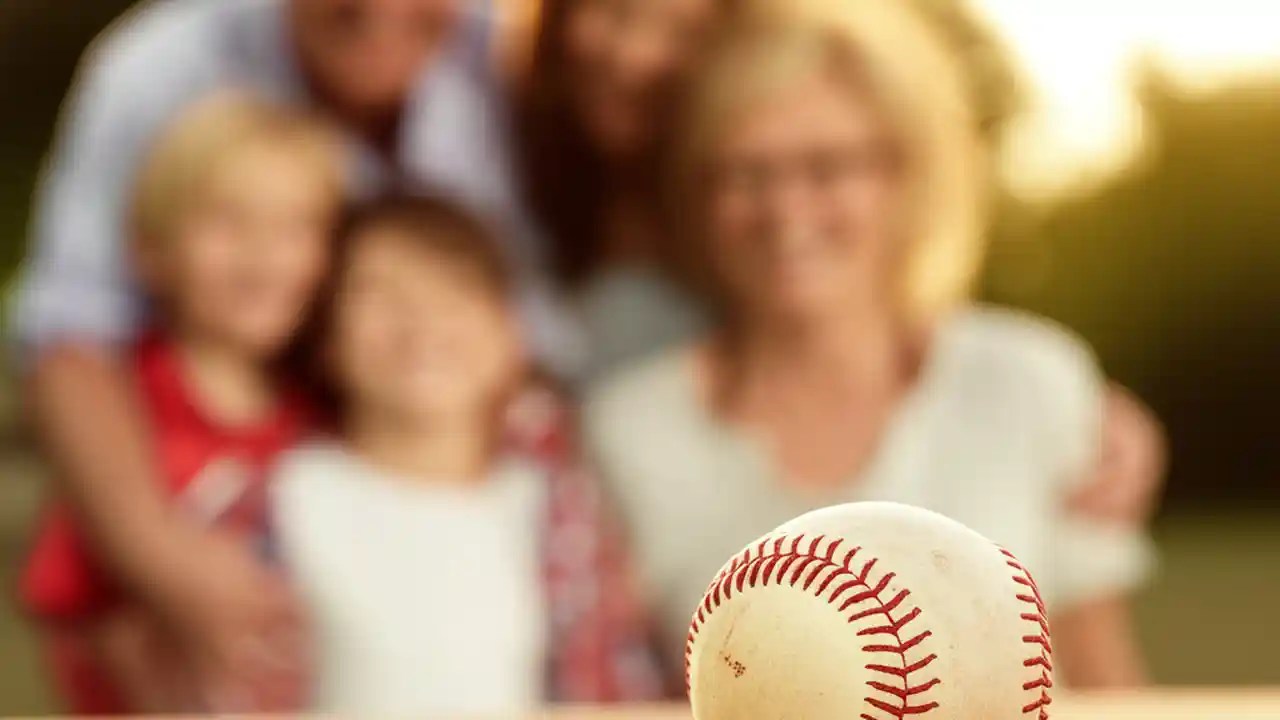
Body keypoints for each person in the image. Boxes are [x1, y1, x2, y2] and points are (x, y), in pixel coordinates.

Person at [11, 0, 570, 709]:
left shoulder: (498, 60)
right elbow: (71, 331)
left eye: (293, 230)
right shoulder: (161, 66)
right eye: (231, 225)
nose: (384, 9)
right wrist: (168, 569)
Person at [585, 0, 1155, 688]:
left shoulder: (1027, 379)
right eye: (743, 173)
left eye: (827, 167)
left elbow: (1104, 677)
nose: (785, 211)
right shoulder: (630, 428)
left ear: (906, 176)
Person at [268, 196, 662, 714]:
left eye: (455, 290)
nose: (422, 321)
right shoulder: (274, 503)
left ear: (512, 333)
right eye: (379, 293)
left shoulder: (564, 516)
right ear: (326, 336)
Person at [19, 94, 344, 713]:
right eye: (228, 220)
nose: (264, 253)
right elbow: (74, 609)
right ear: (151, 250)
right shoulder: (121, 416)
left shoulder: (322, 416)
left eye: (296, 225)